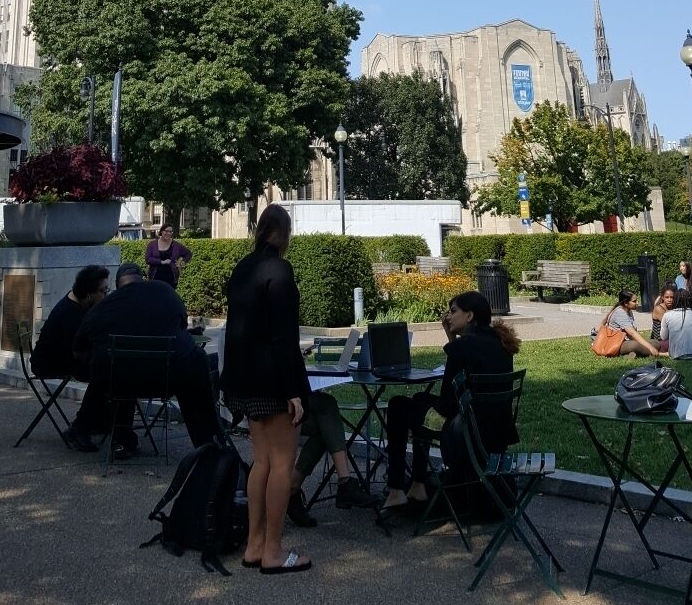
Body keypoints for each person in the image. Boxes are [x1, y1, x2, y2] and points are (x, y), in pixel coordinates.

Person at [221, 203, 312, 575]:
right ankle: (273, 550)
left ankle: (254, 545)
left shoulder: (243, 268)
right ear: (283, 233)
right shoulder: (280, 270)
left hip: (243, 378)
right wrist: (293, 388)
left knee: (261, 462)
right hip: (273, 379)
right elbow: (282, 335)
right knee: (281, 464)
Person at [381, 291, 520, 516]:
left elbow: (446, 405)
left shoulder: (462, 347)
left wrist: (453, 345)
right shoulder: (500, 343)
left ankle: (397, 489)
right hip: (495, 430)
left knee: (398, 406)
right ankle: (416, 486)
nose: (449, 316)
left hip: (464, 432)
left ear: (469, 316)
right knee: (418, 401)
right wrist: (452, 339)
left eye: (454, 311)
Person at [64, 261, 220, 456]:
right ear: (143, 279)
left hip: (119, 382)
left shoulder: (104, 306)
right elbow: (180, 324)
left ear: (118, 285)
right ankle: (209, 444)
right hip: (169, 381)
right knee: (193, 361)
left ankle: (120, 440)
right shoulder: (165, 291)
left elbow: (79, 349)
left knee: (115, 364)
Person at [287, 390, 372, 526]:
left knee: (325, 423)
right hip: (271, 401)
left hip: (278, 396)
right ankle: (344, 482)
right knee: (326, 407)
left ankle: (292, 488)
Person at [30, 265, 110, 381]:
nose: (106, 295)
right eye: (104, 291)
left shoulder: (77, 302)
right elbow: (79, 351)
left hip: (61, 358)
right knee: (105, 371)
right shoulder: (69, 314)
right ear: (88, 294)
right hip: (49, 364)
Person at [600, 290, 659, 359]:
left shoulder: (628, 310)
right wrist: (650, 347)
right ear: (626, 303)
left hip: (628, 341)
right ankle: (661, 354)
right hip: (618, 343)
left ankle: (631, 354)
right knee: (636, 345)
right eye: (634, 301)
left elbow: (633, 333)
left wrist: (647, 344)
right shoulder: (620, 313)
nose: (637, 303)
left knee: (656, 343)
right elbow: (632, 333)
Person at [660, 288, 692, 359]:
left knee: (661, 344)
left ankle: (658, 353)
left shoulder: (667, 315)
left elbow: (663, 337)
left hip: (676, 355)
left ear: (675, 300)